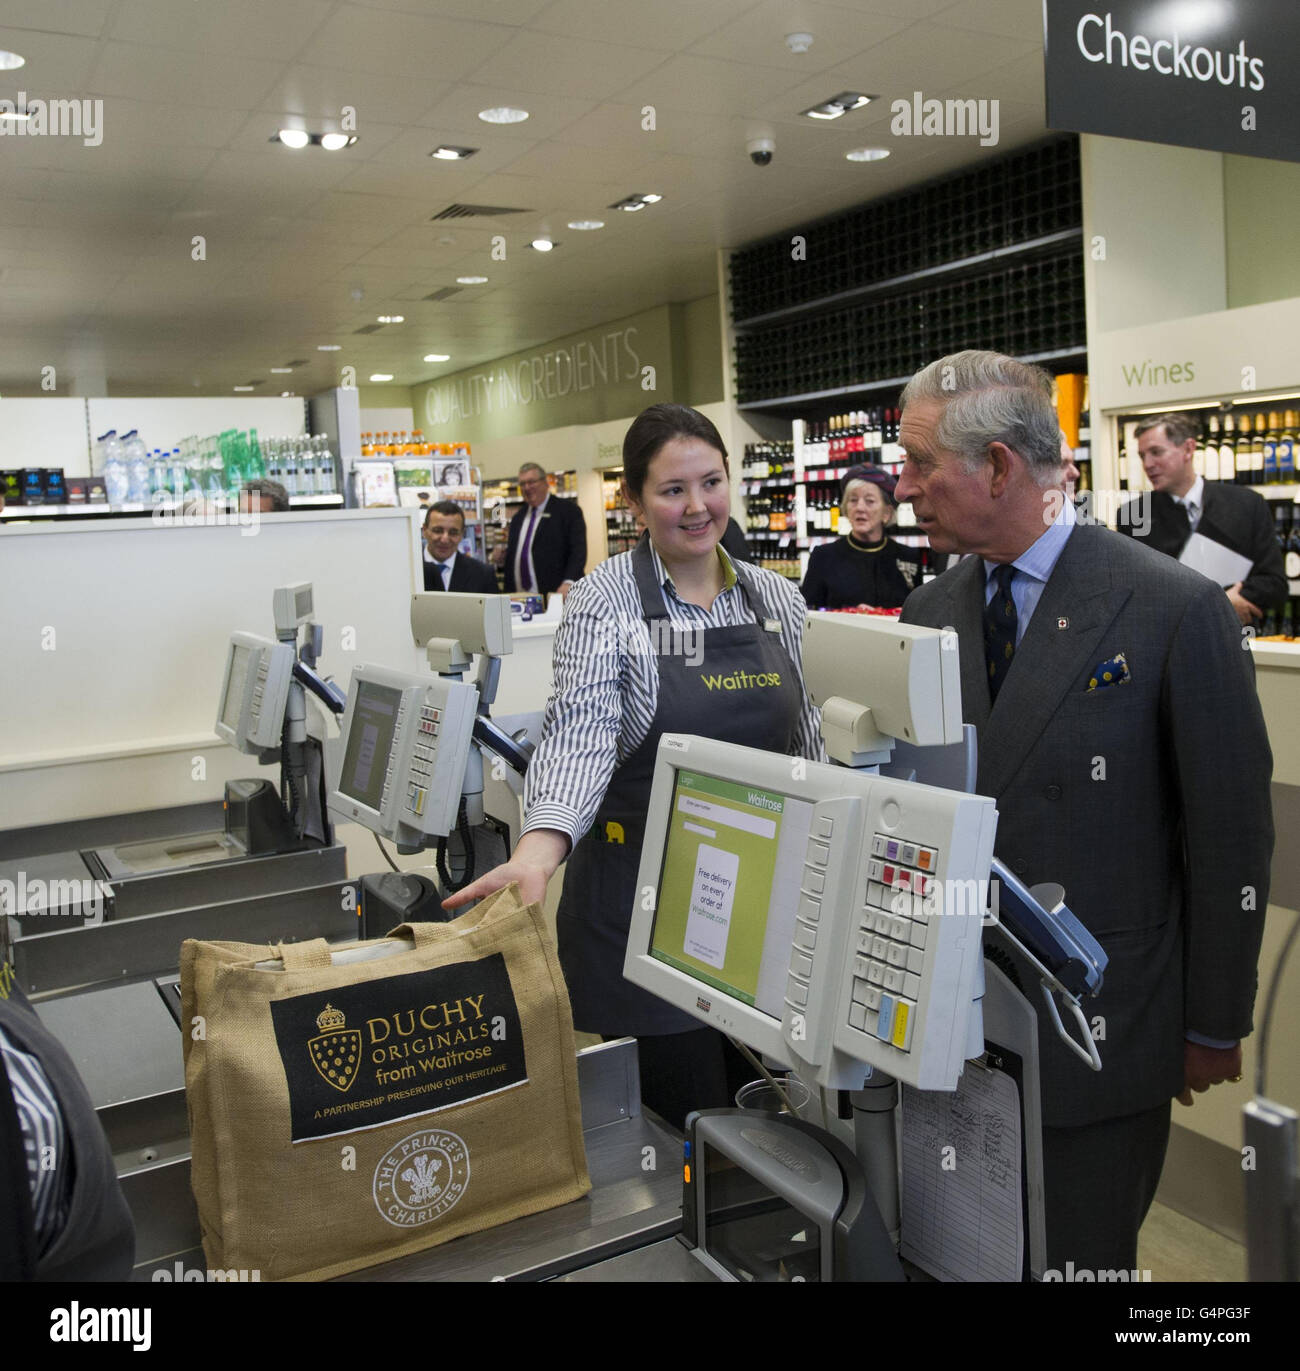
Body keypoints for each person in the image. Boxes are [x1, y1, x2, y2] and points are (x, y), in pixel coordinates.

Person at [893, 350, 1271, 1274]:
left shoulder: (1171, 608)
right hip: (952, 1024)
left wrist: (1213, 1022)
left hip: (1099, 1025)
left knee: (1079, 1254)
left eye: (920, 465)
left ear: (998, 469)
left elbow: (1228, 833)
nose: (903, 489)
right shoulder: (929, 608)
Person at [447, 403, 825, 1129]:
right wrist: (540, 846)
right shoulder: (604, 601)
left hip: (758, 911)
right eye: (671, 490)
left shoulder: (778, 597)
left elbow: (807, 743)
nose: (697, 507)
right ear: (633, 501)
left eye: (711, 482)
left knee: (774, 1130)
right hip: (643, 913)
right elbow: (580, 733)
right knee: (686, 1130)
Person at [1116, 413, 1286, 626]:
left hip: (1235, 642)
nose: (1148, 464)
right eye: (1142, 456)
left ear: (1188, 449)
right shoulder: (1134, 515)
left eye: (1156, 452)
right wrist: (1221, 604)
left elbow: (1274, 583)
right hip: (1168, 647)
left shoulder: (1247, 504)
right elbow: (1133, 594)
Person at [799, 464, 922, 609]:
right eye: (853, 500)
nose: (860, 508)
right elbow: (807, 613)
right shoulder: (823, 556)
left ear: (887, 513)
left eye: (869, 501)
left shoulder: (908, 556)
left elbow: (916, 613)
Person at [495, 462, 587, 597]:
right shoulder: (517, 519)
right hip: (519, 598)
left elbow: (578, 552)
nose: (527, 487)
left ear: (545, 483)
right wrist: (502, 560)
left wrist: (569, 581)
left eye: (531, 482)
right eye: (522, 484)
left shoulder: (568, 511)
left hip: (556, 595)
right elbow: (518, 556)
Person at [421, 501, 498, 593]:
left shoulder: (483, 574)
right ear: (424, 530)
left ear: (462, 534)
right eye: (438, 531)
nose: (445, 539)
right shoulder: (408, 571)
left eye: (453, 532)